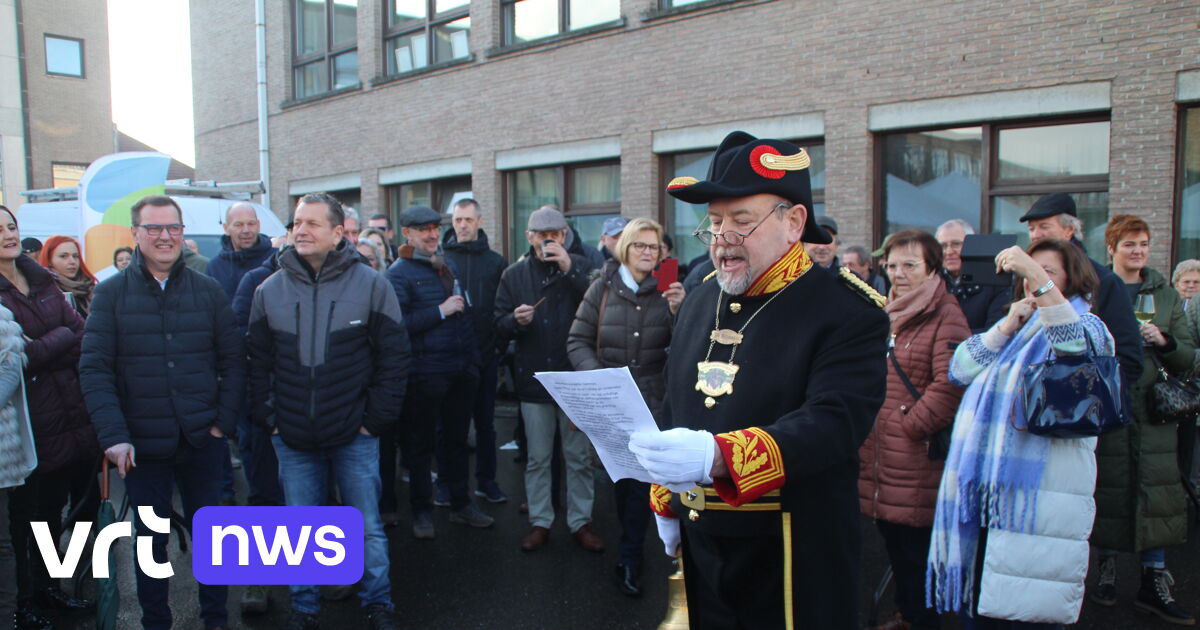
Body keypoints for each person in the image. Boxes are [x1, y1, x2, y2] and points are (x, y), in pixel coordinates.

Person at [629, 131, 890, 629]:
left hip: (791, 549)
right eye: (715, 222)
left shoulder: (846, 311)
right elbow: (676, 402)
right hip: (703, 539)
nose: (722, 236)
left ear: (794, 224)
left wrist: (718, 456)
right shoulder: (703, 296)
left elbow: (834, 422)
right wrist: (664, 495)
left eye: (741, 221)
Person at [927, 238, 1114, 629]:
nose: (1036, 278)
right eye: (1033, 269)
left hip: (1040, 495)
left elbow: (1074, 352)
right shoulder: (1017, 329)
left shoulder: (1089, 325)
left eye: (1049, 271)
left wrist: (1034, 278)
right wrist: (1008, 323)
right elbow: (959, 369)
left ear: (1072, 279)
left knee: (1025, 607)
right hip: (989, 492)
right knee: (985, 603)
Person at [79, 195, 244, 630]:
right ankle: (156, 621)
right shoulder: (112, 293)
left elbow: (233, 361)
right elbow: (95, 368)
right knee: (149, 544)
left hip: (201, 440)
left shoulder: (207, 290)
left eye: (172, 227)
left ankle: (215, 620)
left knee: (213, 539)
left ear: (182, 232)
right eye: (153, 228)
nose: (164, 236)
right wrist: (114, 435)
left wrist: (222, 425)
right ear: (135, 234)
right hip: (141, 446)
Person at [246, 193, 408, 630]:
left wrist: (373, 421)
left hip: (354, 435)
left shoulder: (372, 285)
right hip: (293, 435)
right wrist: (271, 419)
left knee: (367, 527)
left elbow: (394, 360)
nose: (302, 230)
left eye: (313, 223)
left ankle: (378, 604)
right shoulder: (269, 290)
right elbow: (257, 365)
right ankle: (305, 608)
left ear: (338, 234)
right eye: (298, 222)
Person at [567, 217, 685, 597]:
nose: (648, 253)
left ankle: (641, 555)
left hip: (654, 398)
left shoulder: (670, 288)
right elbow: (577, 341)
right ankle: (631, 551)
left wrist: (679, 312)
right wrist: (598, 378)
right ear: (625, 248)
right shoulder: (601, 287)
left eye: (654, 247)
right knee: (625, 482)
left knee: (649, 481)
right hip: (614, 400)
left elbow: (690, 346)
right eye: (640, 245)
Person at [858, 229, 969, 630]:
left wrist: (909, 426)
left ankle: (922, 621)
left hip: (916, 454)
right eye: (892, 265)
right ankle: (908, 615)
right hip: (882, 454)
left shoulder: (945, 313)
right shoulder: (890, 311)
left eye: (910, 265)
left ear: (932, 268)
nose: (898, 274)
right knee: (897, 545)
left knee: (916, 552)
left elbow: (953, 382)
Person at [1088, 214, 1196, 624]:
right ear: (1111, 249)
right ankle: (1107, 567)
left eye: (1144, 244)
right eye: (1130, 244)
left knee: (1158, 490)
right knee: (1108, 484)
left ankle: (1155, 577)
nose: (1138, 251)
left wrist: (1163, 340)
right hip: (1111, 400)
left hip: (1154, 409)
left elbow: (1189, 357)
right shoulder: (1097, 289)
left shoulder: (1165, 295)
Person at [1, 208, 99, 628]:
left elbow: (81, 335)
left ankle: (52, 587)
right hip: (28, 424)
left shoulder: (42, 282)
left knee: (67, 510)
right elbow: (15, 361)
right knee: (26, 519)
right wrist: (55, 342)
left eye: (9, 226)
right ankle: (25, 600)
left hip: (71, 413)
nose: (6, 234)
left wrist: (45, 346)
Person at [495, 206, 603, 553]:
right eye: (542, 236)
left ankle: (580, 521)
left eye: (555, 235)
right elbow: (497, 324)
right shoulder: (514, 275)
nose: (549, 241)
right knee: (539, 458)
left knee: (578, 458)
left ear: (565, 236)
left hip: (574, 379)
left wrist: (570, 267)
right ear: (529, 238)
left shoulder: (583, 266)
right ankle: (541, 521)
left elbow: (600, 302)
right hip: (535, 379)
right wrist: (514, 321)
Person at [384, 205, 492, 536]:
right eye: (423, 229)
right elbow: (398, 326)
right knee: (420, 447)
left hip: (460, 370)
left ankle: (461, 504)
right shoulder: (397, 274)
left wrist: (471, 362)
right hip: (425, 375)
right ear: (407, 233)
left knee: (457, 442)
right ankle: (422, 512)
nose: (432, 234)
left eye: (434, 227)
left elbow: (466, 313)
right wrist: (440, 312)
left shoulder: (448, 265)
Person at [203, 201, 276, 612]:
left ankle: (310, 571)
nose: (246, 230)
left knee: (306, 487)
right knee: (261, 485)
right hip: (246, 392)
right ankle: (259, 579)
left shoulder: (278, 261)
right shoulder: (215, 270)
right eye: (238, 224)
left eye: (251, 223)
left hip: (289, 391)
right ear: (226, 227)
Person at [1020, 193, 1142, 402]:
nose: (1036, 234)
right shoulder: (1024, 279)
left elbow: (1129, 361)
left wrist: (1086, 401)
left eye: (1044, 226)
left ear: (1069, 230)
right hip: (1025, 408)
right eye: (1031, 228)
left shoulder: (1104, 282)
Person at [442, 198, 509, 504]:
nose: (463, 225)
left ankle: (487, 481)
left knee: (485, 424)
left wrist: (497, 345)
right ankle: (448, 484)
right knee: (450, 427)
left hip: (485, 356)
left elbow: (502, 306)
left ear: (480, 221)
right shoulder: (440, 259)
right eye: (458, 220)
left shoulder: (495, 262)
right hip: (450, 358)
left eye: (468, 219)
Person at [0, 299, 38, 630]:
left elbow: (8, 379)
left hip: (0, 456)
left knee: (2, 543)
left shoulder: (3, 324)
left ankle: (7, 620)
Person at [935, 219, 1011, 334]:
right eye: (943, 246)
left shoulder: (996, 282)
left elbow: (996, 332)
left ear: (972, 245)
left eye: (956, 244)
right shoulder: (929, 282)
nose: (949, 251)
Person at [38, 235, 96, 319]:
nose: (72, 261)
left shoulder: (90, 287)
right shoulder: (44, 292)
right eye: (63, 256)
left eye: (75, 256)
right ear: (49, 260)